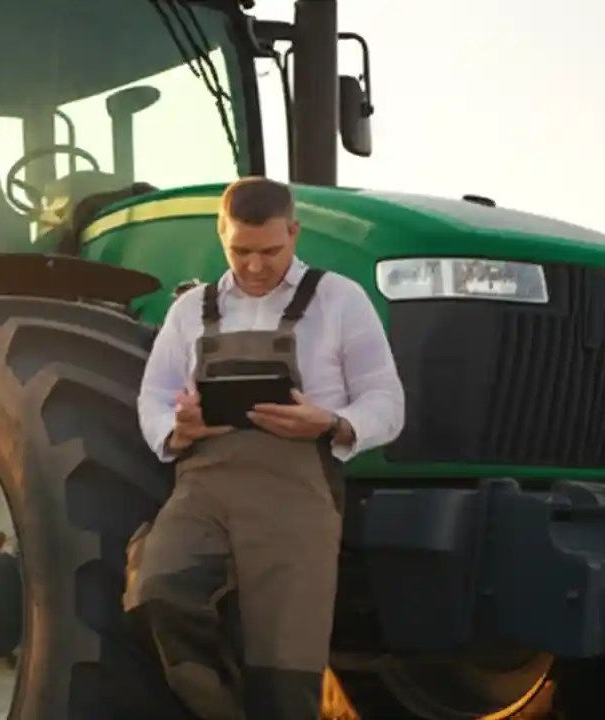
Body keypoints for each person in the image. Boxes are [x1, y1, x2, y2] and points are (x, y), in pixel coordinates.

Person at [124, 176, 406, 719]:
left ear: (295, 232)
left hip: (296, 495)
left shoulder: (340, 299)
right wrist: (175, 429)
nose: (254, 266)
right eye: (240, 250)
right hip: (203, 488)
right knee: (157, 593)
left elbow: (387, 402)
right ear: (221, 234)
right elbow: (152, 396)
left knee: (285, 670)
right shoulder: (190, 310)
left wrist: (329, 421)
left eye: (270, 251)